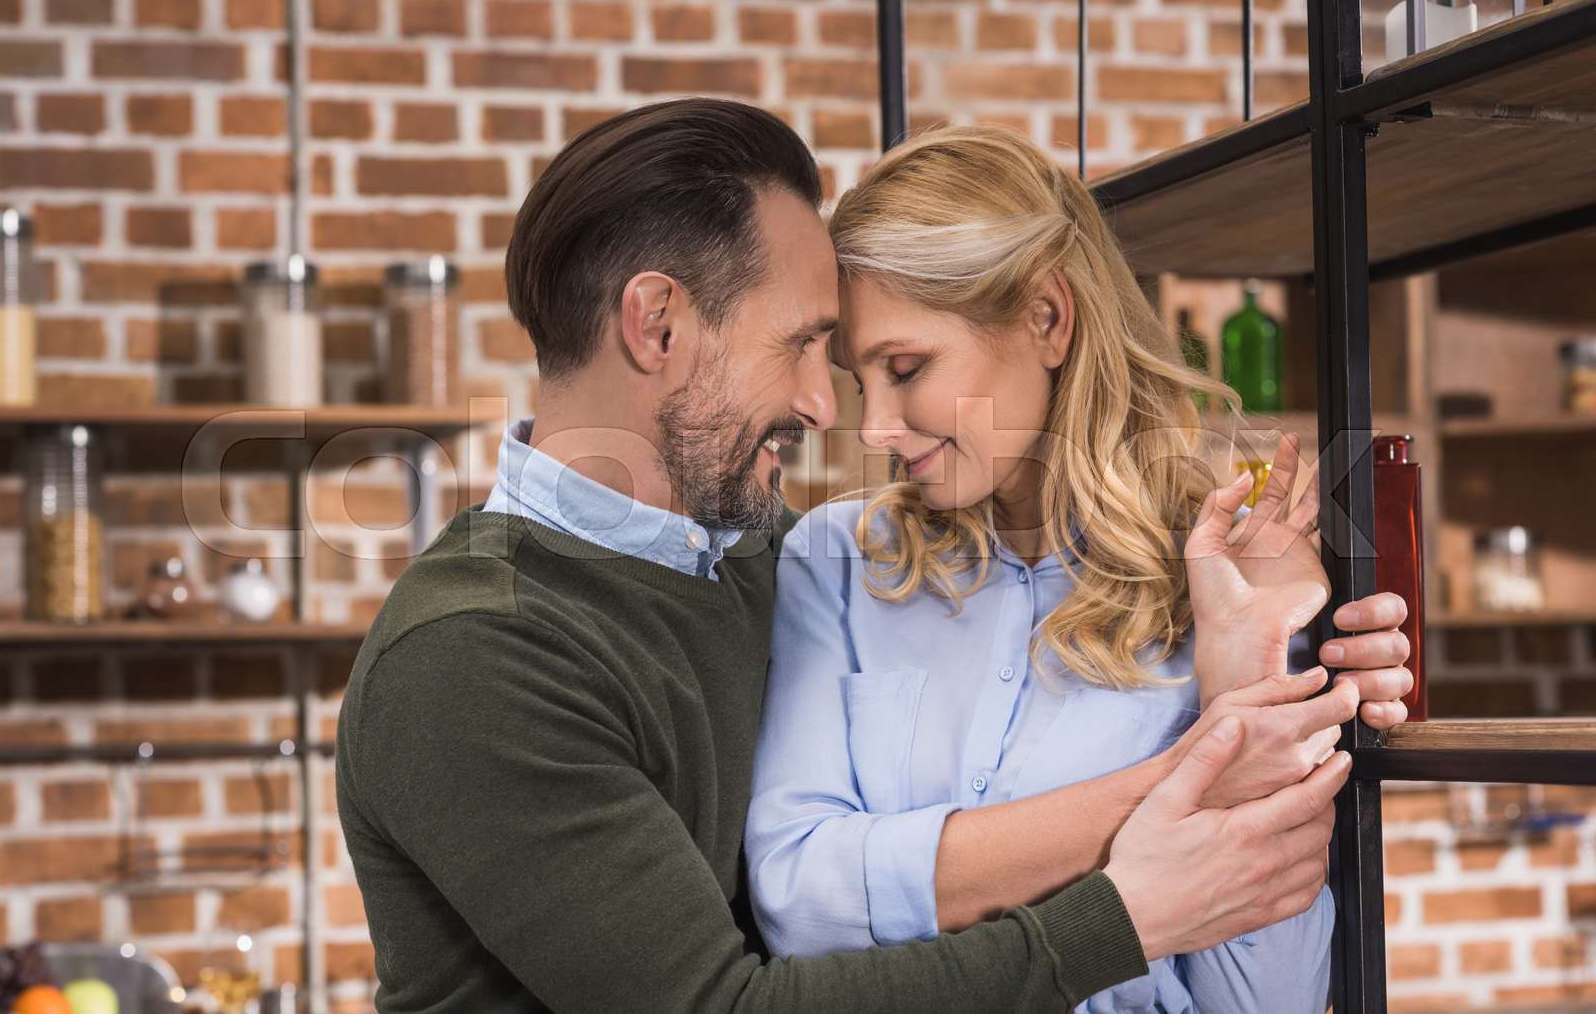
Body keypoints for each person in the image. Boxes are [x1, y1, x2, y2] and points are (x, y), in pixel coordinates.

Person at [335, 99, 1413, 1013]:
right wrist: (1188, 803)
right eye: (812, 351)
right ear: (656, 327)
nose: (834, 414)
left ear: (1048, 315)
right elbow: (759, 955)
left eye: (880, 362)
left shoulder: (743, 561)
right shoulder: (478, 656)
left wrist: (1283, 673)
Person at [747, 125, 1416, 1012]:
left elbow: (1264, 1005)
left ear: (1048, 319)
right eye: (862, 377)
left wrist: (1236, 682)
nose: (872, 427)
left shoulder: (1229, 580)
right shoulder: (834, 564)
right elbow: (799, 901)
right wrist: (1193, 778)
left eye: (906, 368)